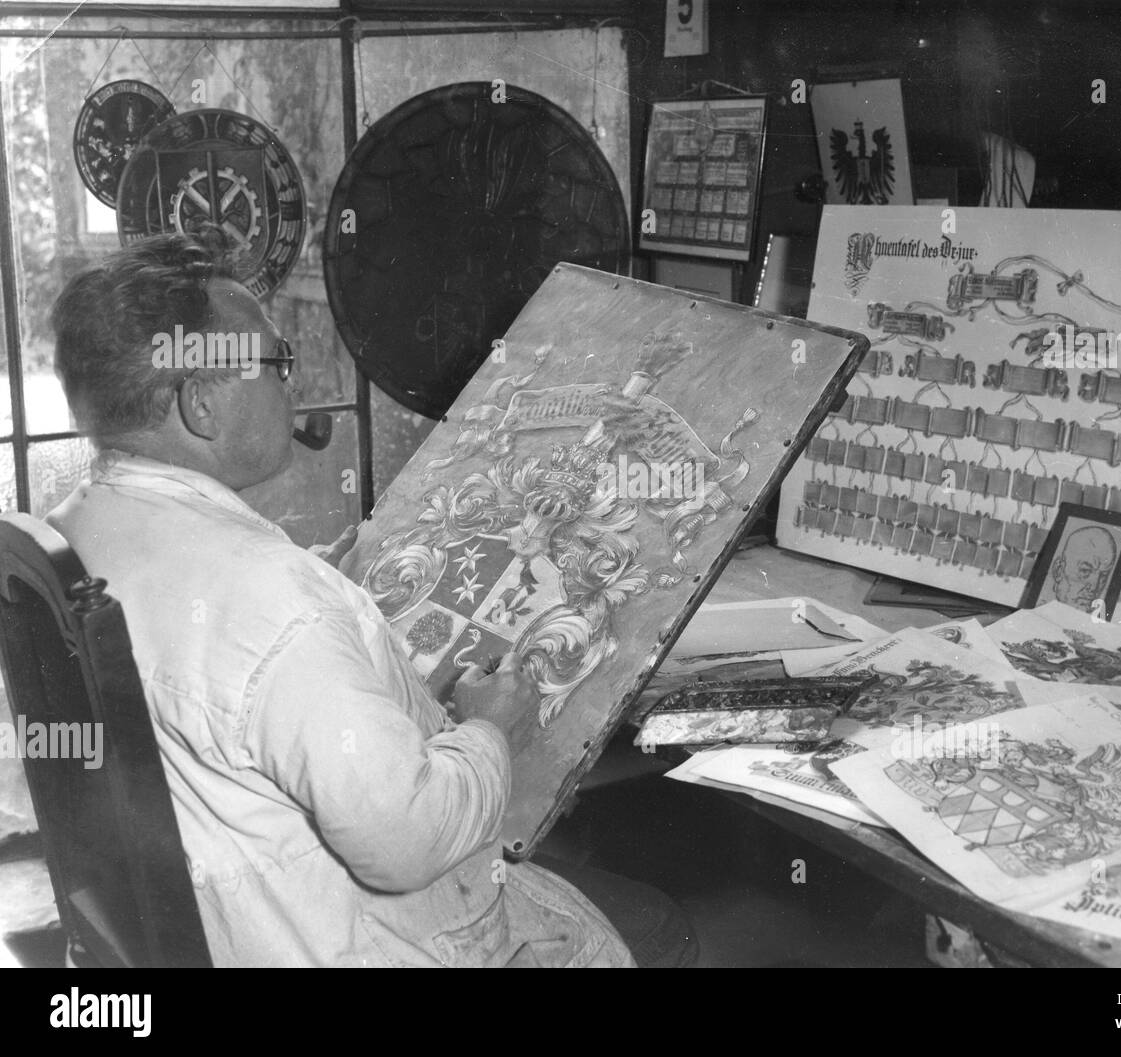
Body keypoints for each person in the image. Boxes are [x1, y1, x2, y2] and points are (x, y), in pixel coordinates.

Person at [45, 228, 695, 967]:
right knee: (649, 928)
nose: (289, 381)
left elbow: (215, 656)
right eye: (274, 362)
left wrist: (311, 612)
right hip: (351, 944)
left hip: (195, 939)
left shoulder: (71, 532)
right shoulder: (278, 601)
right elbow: (407, 843)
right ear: (199, 402)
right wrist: (489, 730)